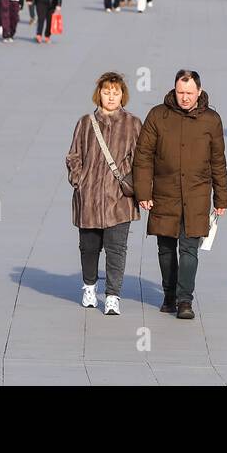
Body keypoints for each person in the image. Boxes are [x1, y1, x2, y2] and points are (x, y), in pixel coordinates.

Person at [133, 70, 227, 320]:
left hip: (196, 195)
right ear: (174, 91)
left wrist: (221, 198)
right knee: (165, 248)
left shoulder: (211, 120)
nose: (184, 98)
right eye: (180, 92)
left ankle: (185, 300)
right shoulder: (157, 115)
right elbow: (143, 156)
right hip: (164, 193)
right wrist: (143, 192)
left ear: (199, 91)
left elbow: (218, 161)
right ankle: (169, 294)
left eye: (188, 93)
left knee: (189, 249)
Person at [66, 72, 142, 316]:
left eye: (116, 92)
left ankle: (112, 295)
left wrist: (134, 183)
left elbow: (142, 159)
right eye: (107, 92)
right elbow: (73, 155)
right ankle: (89, 287)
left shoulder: (132, 124)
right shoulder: (86, 123)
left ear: (123, 95)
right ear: (99, 93)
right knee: (88, 246)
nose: (111, 97)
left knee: (116, 248)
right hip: (89, 197)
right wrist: (79, 180)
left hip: (119, 198)